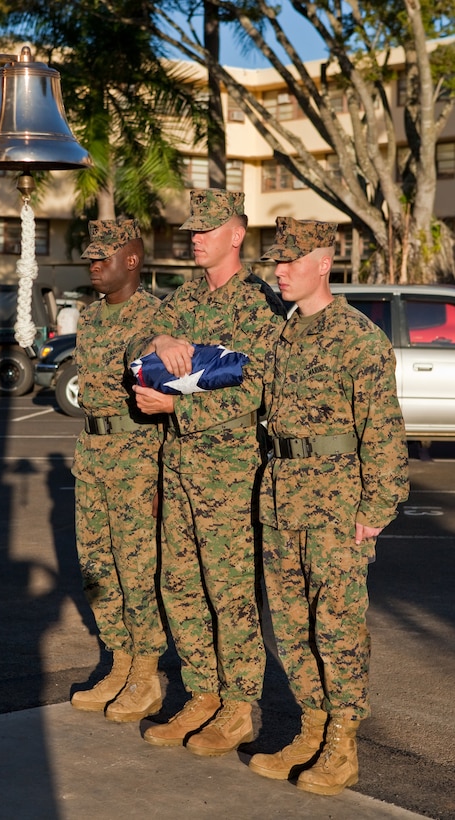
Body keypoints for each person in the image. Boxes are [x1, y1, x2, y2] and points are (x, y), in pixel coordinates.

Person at [249, 216, 410, 794]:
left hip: (335, 504)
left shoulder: (359, 339)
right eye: (277, 261)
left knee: (337, 626)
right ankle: (311, 726)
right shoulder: (282, 334)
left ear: (324, 264)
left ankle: (343, 744)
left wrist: (376, 508)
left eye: (292, 261)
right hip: (281, 495)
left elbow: (384, 435)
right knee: (292, 627)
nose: (280, 271)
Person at [126, 189, 285, 756]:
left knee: (230, 590)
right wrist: (162, 339)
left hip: (230, 472)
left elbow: (260, 385)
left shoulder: (259, 303)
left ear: (236, 234)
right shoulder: (185, 294)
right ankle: (202, 694)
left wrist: (180, 408)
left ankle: (238, 706)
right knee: (180, 583)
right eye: (192, 230)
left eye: (207, 229)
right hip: (178, 467)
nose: (195, 238)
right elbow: (143, 339)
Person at [70, 218, 167, 723]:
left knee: (137, 567)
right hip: (92, 453)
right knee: (95, 564)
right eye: (90, 256)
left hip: (136, 457)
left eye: (102, 257)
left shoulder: (156, 318)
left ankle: (146, 673)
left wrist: (159, 479)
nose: (93, 264)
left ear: (131, 260)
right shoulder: (88, 318)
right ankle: (120, 659)